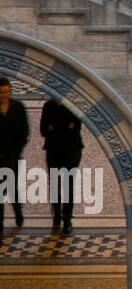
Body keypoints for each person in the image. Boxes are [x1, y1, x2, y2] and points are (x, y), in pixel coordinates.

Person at [41, 98, 83, 233]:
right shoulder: (48, 106)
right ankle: (57, 215)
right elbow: (43, 130)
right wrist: (65, 127)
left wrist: (54, 128)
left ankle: (67, 218)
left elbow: (75, 129)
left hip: (71, 151)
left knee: (68, 185)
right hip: (54, 150)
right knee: (54, 184)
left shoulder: (71, 104)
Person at [0, 77, 28, 236]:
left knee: (11, 187)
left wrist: (16, 150)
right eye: (2, 92)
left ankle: (18, 213)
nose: (4, 95)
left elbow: (24, 131)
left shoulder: (18, 107)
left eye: (6, 92)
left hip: (12, 156)